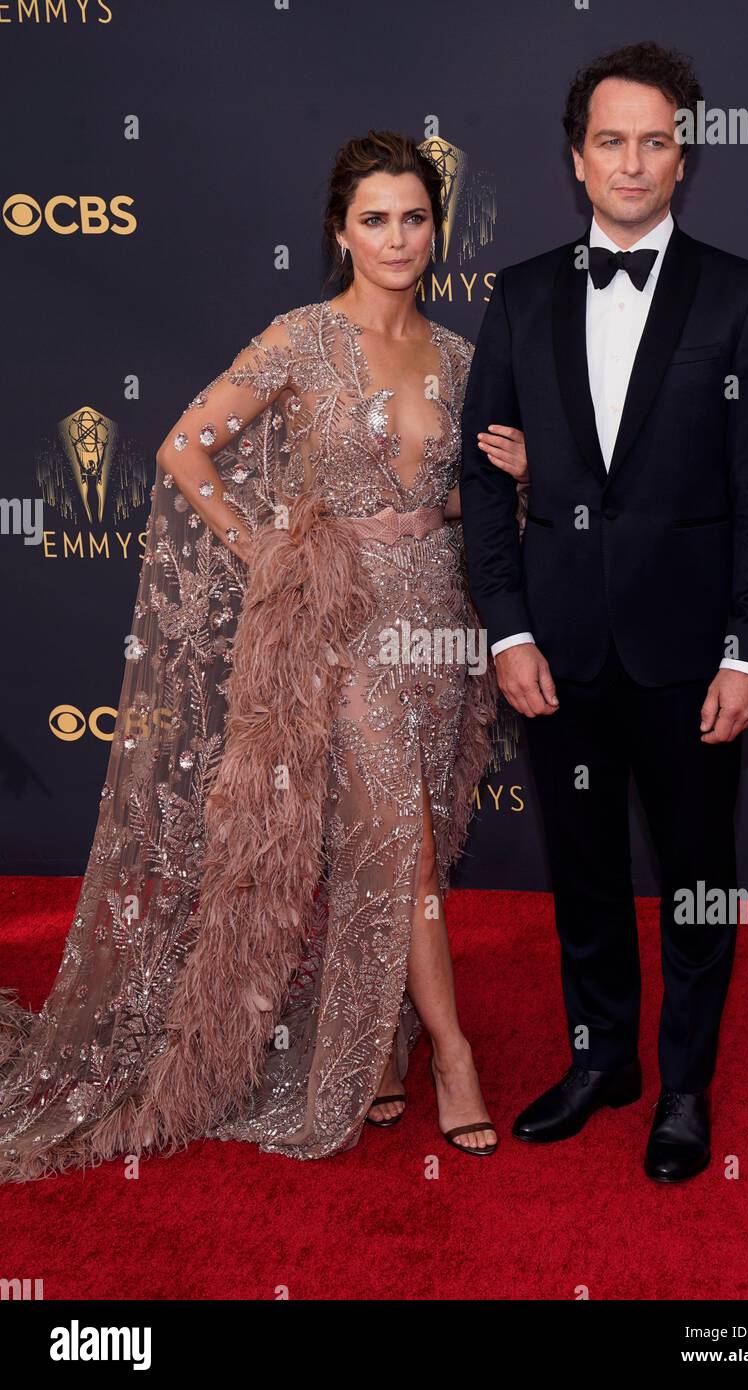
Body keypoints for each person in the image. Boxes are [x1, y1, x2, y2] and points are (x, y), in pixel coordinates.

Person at [0, 131, 529, 1181]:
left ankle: (377, 1042)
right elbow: (182, 446)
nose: (396, 237)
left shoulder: (465, 356)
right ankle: (453, 1057)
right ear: (339, 231)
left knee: (395, 834)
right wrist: (271, 555)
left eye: (414, 217)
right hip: (340, 626)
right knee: (403, 843)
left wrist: (509, 477)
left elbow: (447, 502)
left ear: (437, 229)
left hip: (439, 621)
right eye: (374, 218)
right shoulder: (300, 338)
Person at [460, 41, 748, 1182]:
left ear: (682, 158)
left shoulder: (739, 293)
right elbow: (476, 478)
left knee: (695, 879)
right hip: (554, 647)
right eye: (611, 139)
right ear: (575, 157)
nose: (632, 161)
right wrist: (505, 628)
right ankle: (601, 1059)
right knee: (585, 871)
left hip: (689, 649)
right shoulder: (518, 294)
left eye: (655, 140)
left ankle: (685, 1087)